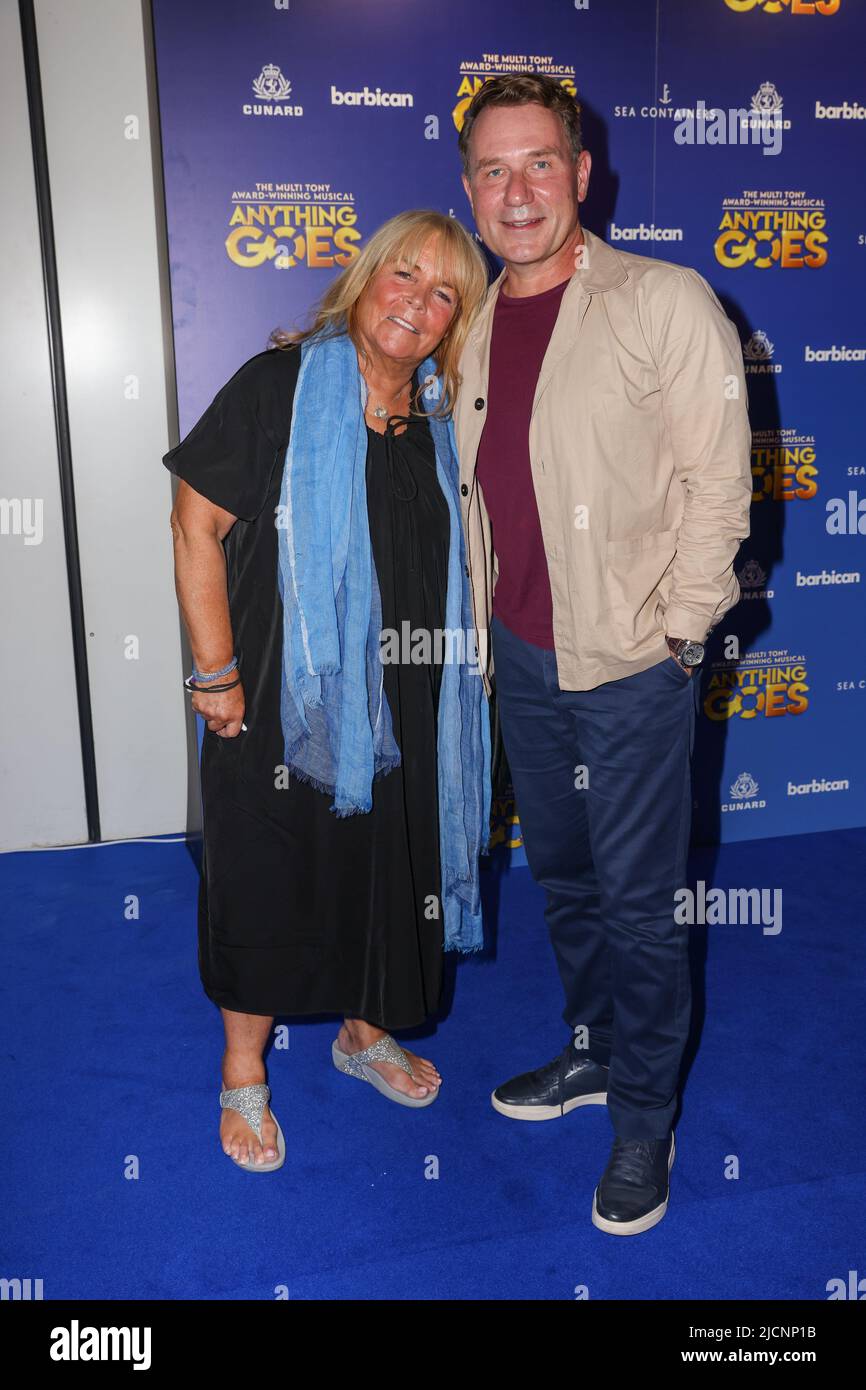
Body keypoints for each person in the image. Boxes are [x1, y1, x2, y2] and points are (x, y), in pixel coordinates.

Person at [453, 74, 752, 1234]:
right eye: (492, 169)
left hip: (630, 661)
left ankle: (642, 1119)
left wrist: (678, 634)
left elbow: (719, 483)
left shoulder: (661, 299)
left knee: (636, 903)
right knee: (565, 877)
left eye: (539, 164)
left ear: (582, 175)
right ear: (467, 188)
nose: (517, 190)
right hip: (522, 654)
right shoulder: (471, 317)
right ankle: (590, 1051)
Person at [163, 210, 491, 1172]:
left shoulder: (437, 415)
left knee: (385, 868)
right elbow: (194, 527)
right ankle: (242, 1073)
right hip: (276, 696)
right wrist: (214, 674)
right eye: (404, 275)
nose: (417, 303)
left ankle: (361, 1030)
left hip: (409, 698)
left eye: (444, 294)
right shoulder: (280, 388)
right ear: (364, 278)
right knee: (269, 877)